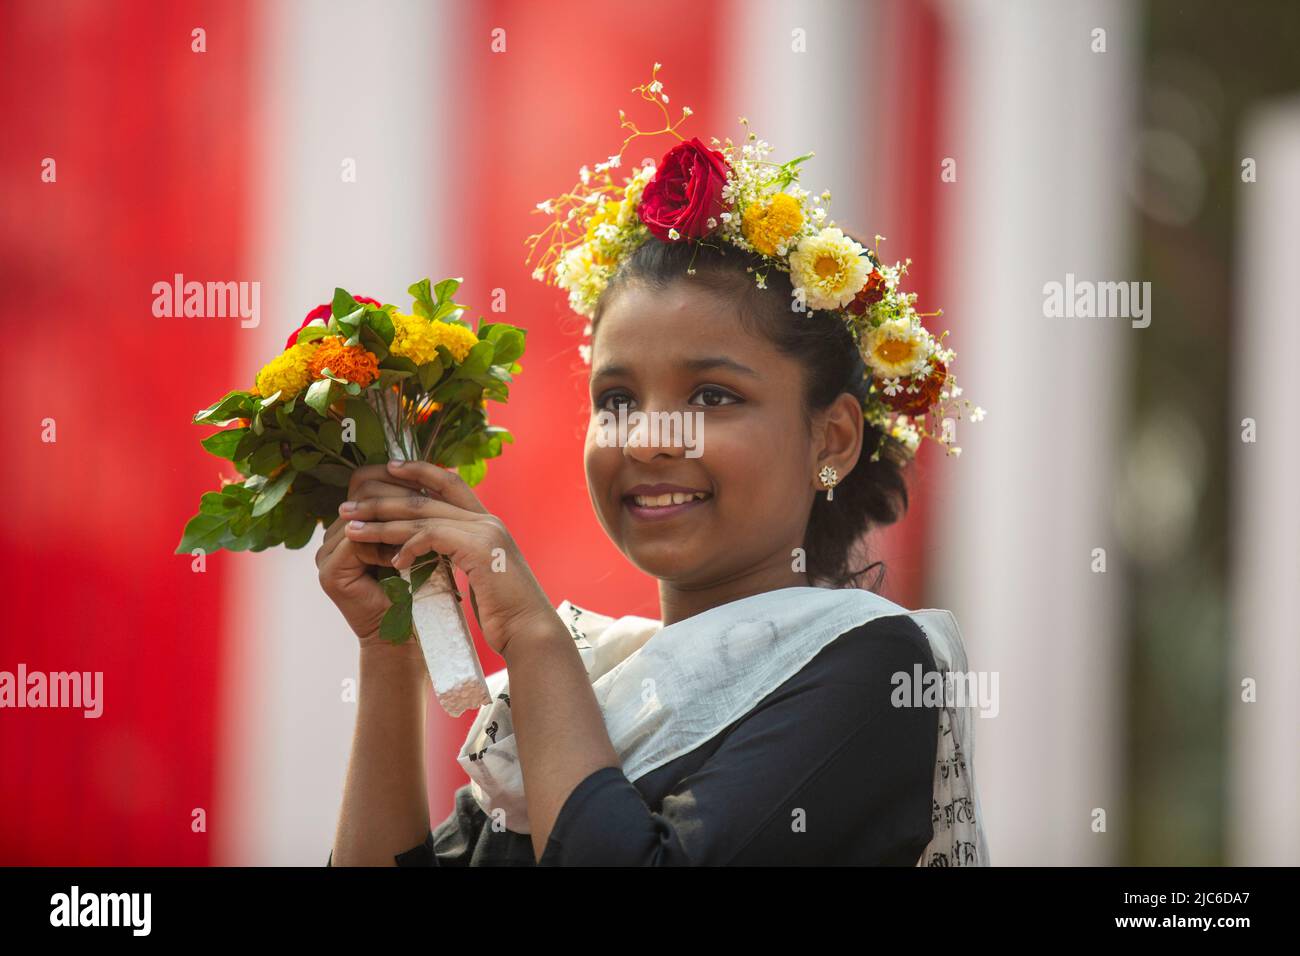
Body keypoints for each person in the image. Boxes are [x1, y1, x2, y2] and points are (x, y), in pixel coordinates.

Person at [317, 73, 989, 865]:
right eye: (617, 399)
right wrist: (391, 650)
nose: (646, 439)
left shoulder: (870, 663)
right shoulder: (599, 683)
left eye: (712, 395)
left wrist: (531, 633)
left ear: (832, 440)